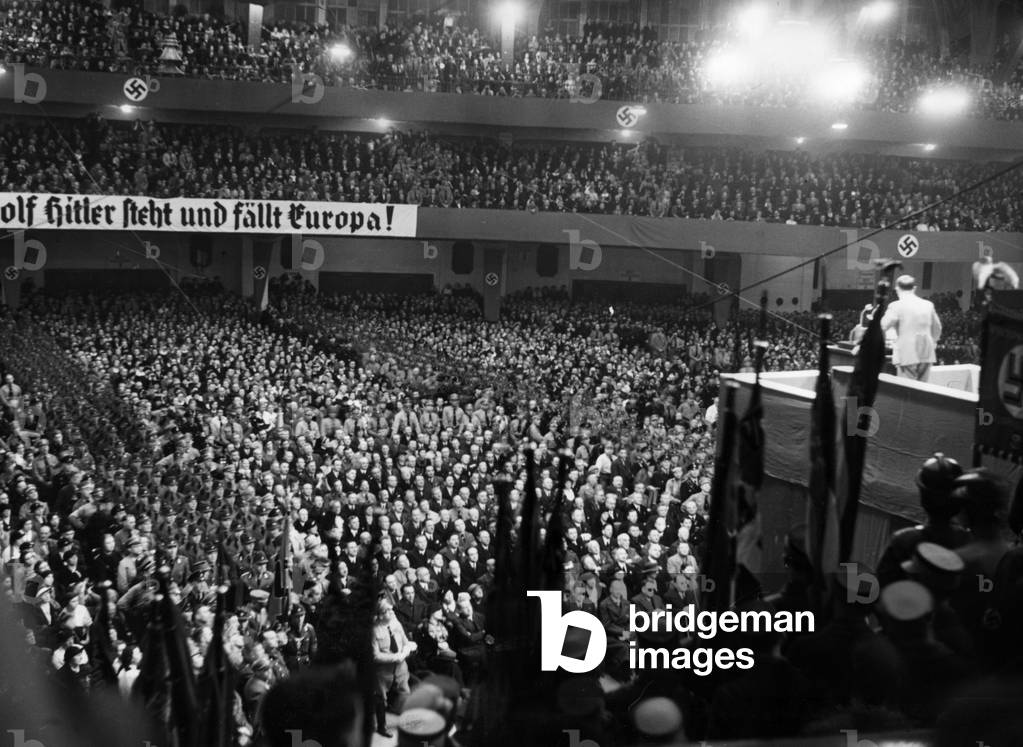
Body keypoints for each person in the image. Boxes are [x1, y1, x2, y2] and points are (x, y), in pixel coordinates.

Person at [880, 275, 942, 382]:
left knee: (907, 391)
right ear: (914, 288)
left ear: (897, 289)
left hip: (907, 352)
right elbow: (937, 328)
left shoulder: (896, 306)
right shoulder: (928, 304)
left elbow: (883, 326)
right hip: (926, 351)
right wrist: (934, 341)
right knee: (922, 389)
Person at [373, 596, 417, 737]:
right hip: (382, 671)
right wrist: (395, 657)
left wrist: (407, 649)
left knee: (405, 692)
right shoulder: (373, 630)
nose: (392, 612)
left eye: (392, 609)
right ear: (380, 614)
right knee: (381, 698)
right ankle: (382, 726)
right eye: (388, 611)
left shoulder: (396, 624)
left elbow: (404, 640)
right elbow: (375, 656)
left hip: (401, 668)